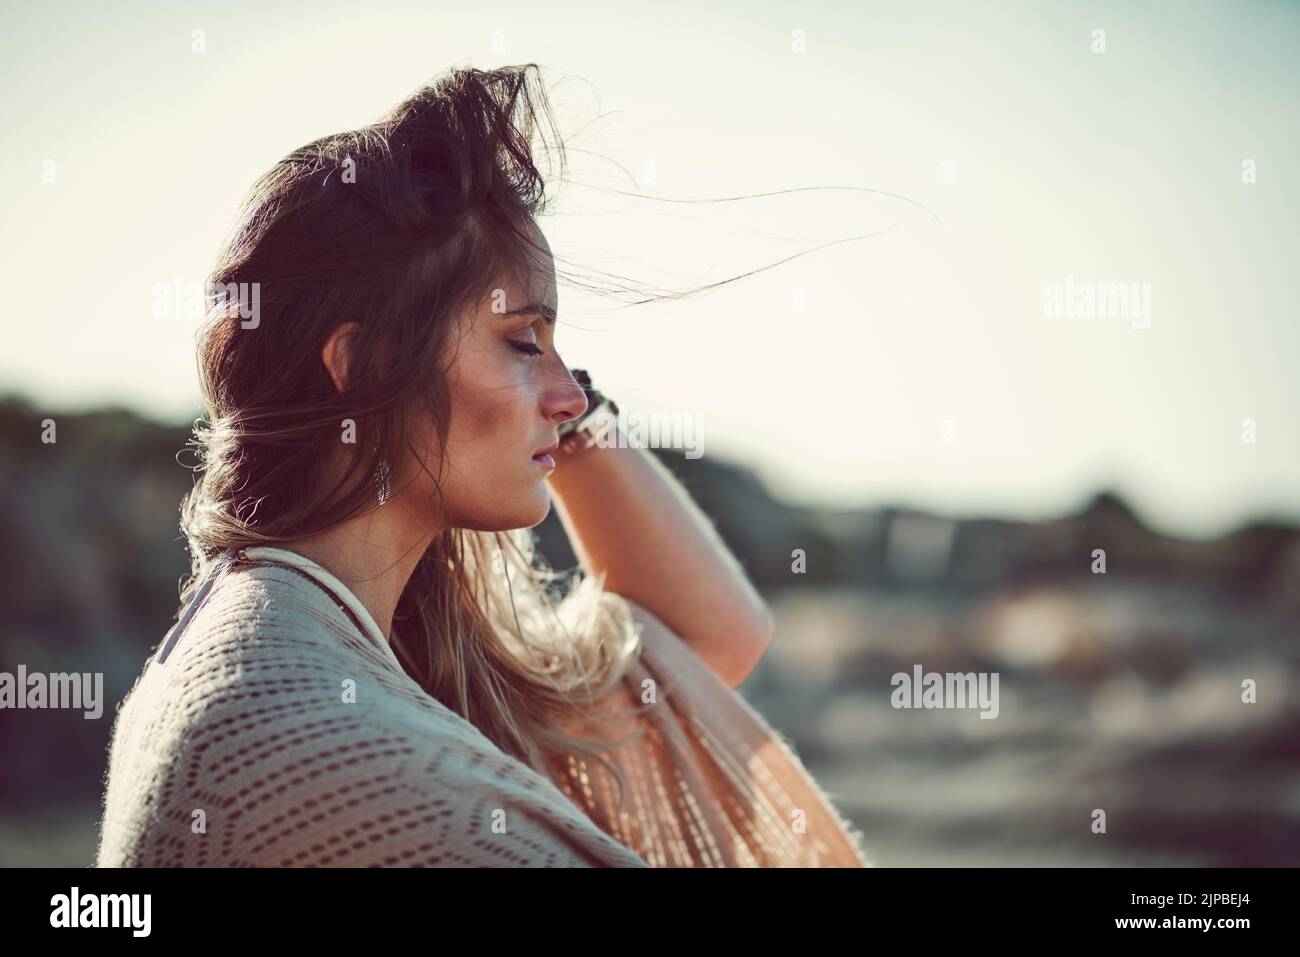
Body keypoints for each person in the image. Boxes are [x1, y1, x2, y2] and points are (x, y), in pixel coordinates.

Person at [95, 64, 871, 867]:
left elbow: (707, 641)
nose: (572, 397)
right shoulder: (330, 742)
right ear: (364, 368)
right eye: (525, 342)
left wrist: (567, 410)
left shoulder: (339, 647)